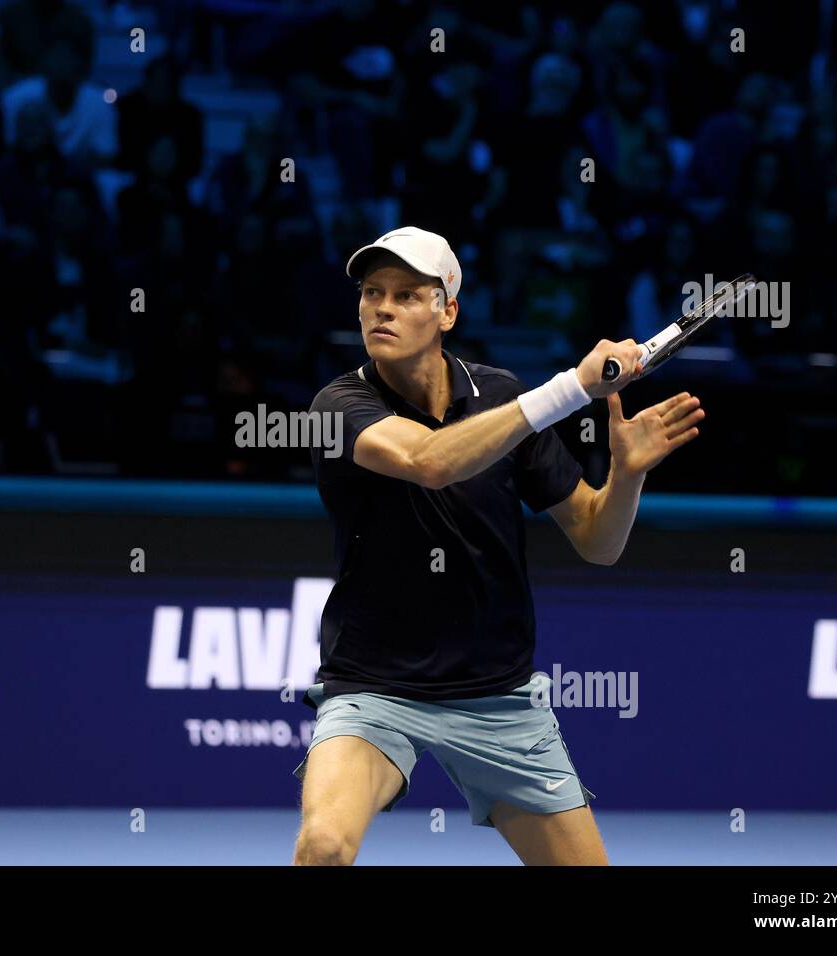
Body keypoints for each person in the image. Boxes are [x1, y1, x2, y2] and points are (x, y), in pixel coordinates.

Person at [292, 227, 705, 865]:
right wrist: (571, 388)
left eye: (406, 295)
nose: (382, 308)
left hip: (498, 698)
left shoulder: (506, 397)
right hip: (374, 690)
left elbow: (597, 539)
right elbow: (428, 460)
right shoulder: (339, 404)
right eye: (372, 293)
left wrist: (627, 475)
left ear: (447, 311)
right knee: (322, 846)